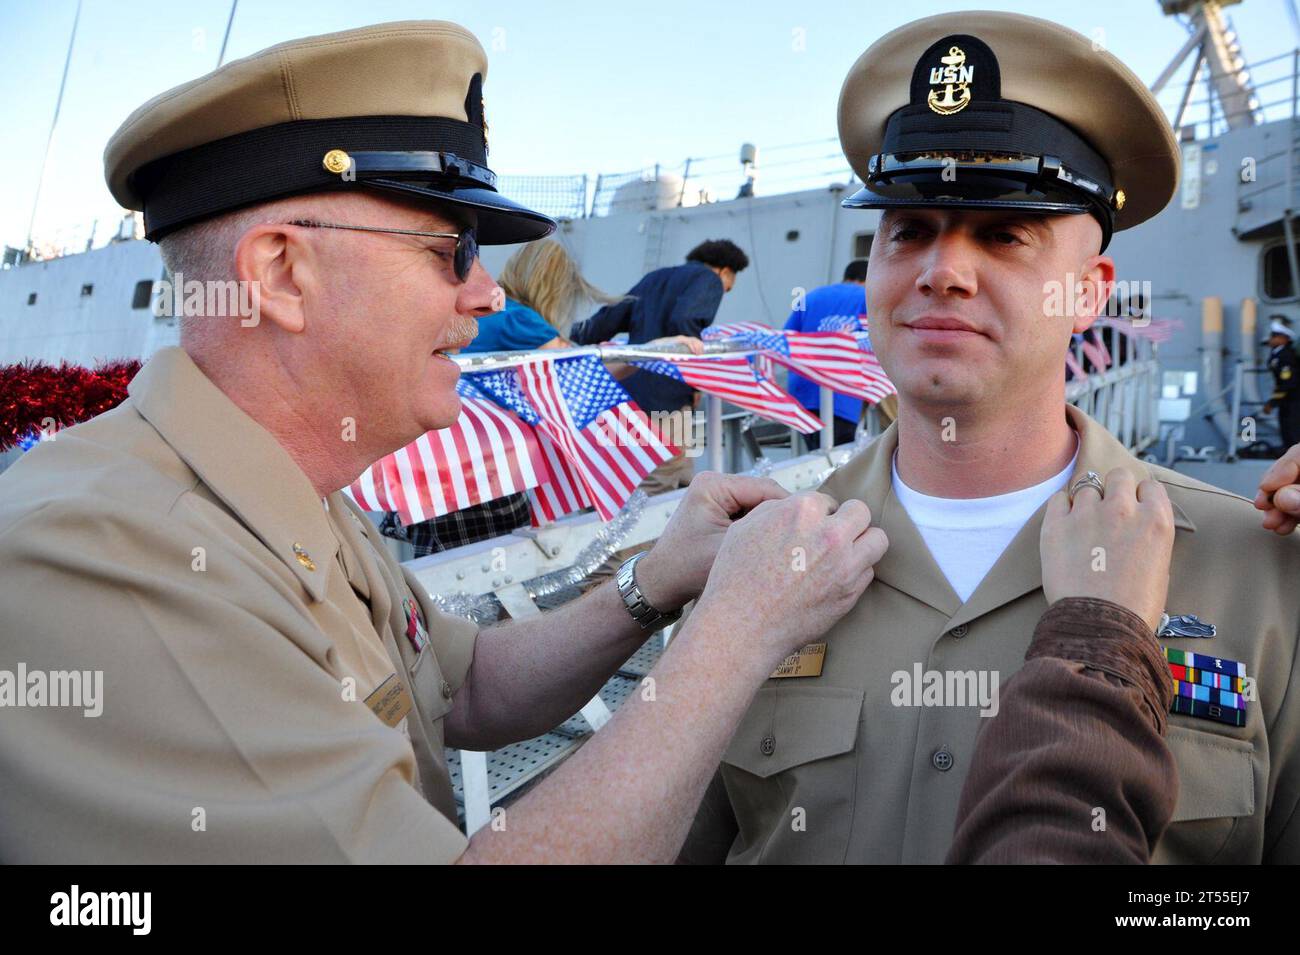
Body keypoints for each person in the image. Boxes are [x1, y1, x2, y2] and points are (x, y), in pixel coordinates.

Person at [0, 20, 891, 864]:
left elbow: (460, 688)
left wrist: (656, 582)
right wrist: (738, 633)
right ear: (279, 273)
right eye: (450, 250)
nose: (488, 296)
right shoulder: (113, 554)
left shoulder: (283, 487)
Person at [680, 11, 1300, 865]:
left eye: (1004, 234)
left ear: (1088, 292)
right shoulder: (756, 563)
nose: (944, 270)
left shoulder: (1260, 568)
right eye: (910, 230)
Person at [380, 239, 622, 556]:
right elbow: (581, 376)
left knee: (438, 577)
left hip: (429, 469)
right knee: (494, 576)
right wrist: (641, 356)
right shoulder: (519, 319)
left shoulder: (485, 318)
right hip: (480, 474)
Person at [569, 238, 749, 493]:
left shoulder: (653, 278)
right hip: (669, 400)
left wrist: (559, 336)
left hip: (630, 394)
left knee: (672, 474)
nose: (727, 288)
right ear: (725, 271)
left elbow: (603, 324)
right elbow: (685, 318)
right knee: (660, 481)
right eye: (730, 283)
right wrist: (695, 380)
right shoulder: (709, 280)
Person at [784, 259, 869, 451]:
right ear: (869, 278)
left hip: (803, 393)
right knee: (839, 463)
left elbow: (786, 340)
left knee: (816, 458)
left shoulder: (810, 297)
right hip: (844, 394)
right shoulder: (868, 297)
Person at [1263, 318, 1300, 450]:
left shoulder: (1286, 355)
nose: (1271, 339)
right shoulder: (1277, 354)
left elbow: (1288, 382)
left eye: (1274, 336)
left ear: (1284, 339)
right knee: (1286, 430)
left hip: (1294, 399)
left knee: (1293, 432)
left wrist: (1272, 402)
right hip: (1286, 400)